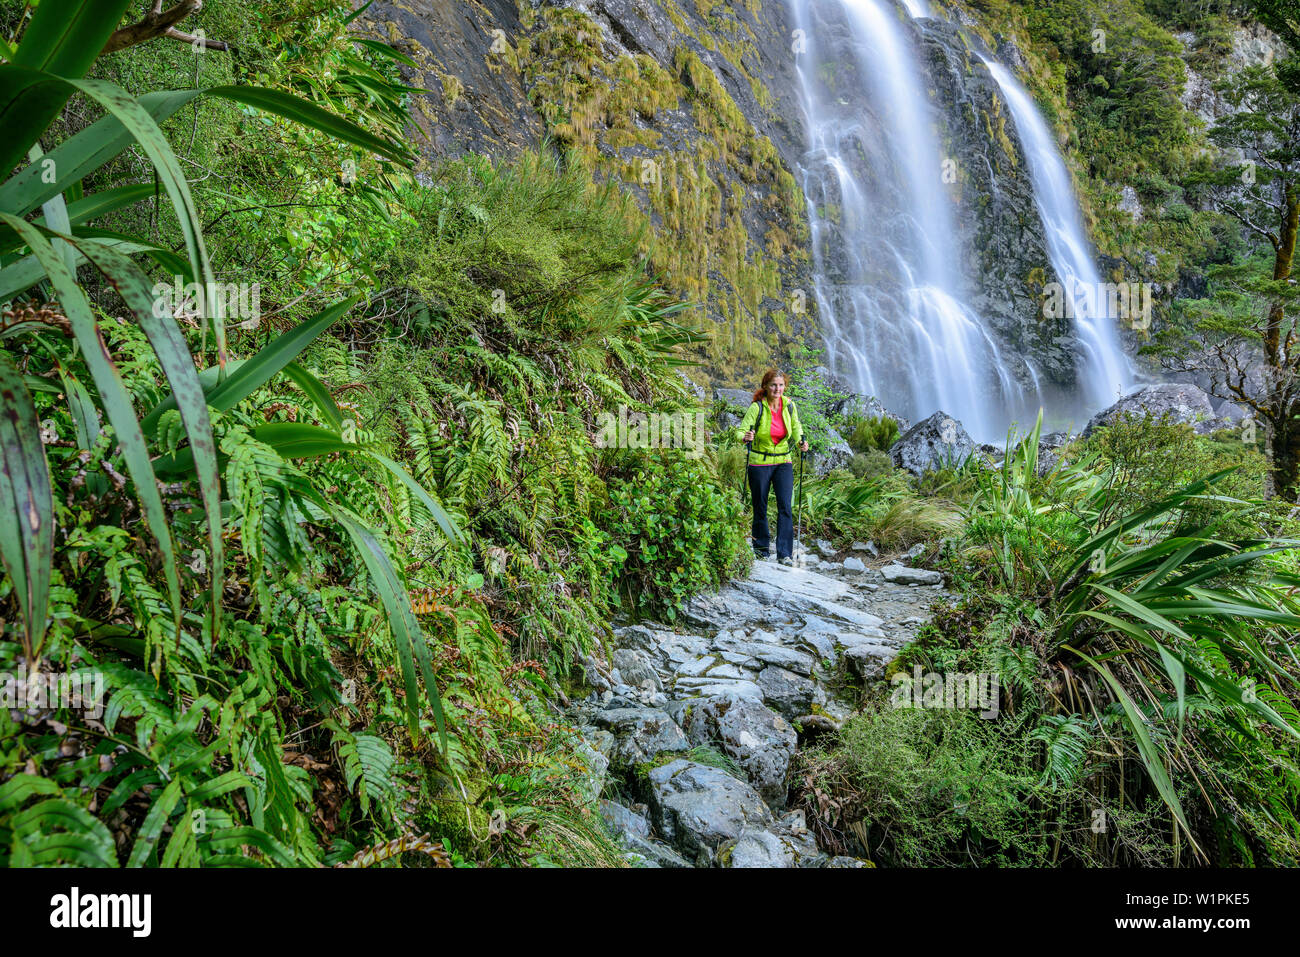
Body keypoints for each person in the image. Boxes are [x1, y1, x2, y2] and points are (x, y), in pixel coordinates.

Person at [739, 369, 809, 565]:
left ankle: (784, 554)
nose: (777, 389)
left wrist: (800, 442)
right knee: (760, 506)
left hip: (783, 461)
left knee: (785, 506)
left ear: (784, 386)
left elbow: (796, 428)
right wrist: (745, 437)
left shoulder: (789, 406)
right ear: (766, 387)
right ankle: (761, 550)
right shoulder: (757, 408)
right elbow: (741, 430)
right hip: (759, 462)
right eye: (773, 385)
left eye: (780, 385)